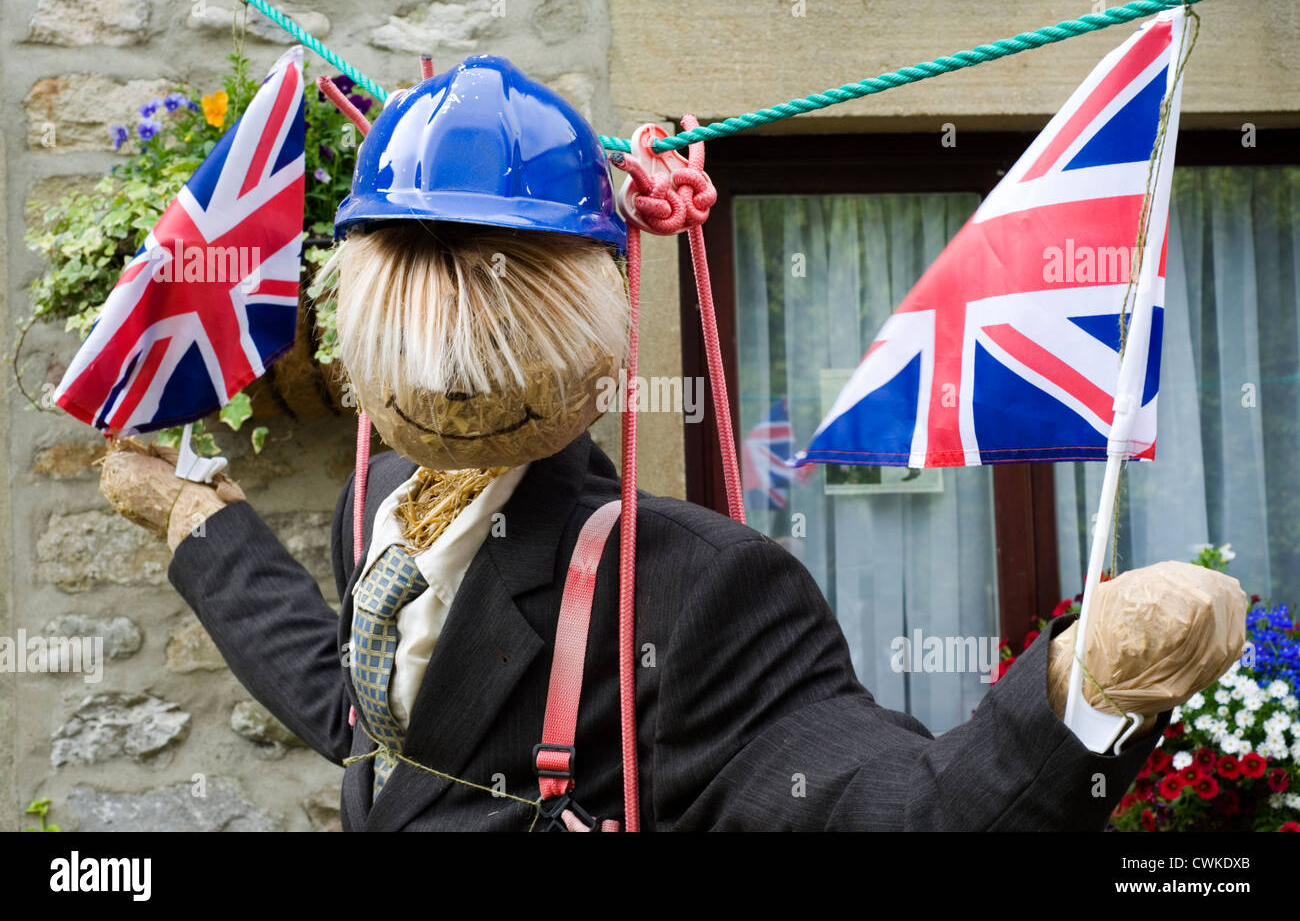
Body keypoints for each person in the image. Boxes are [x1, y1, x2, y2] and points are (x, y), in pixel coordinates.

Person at [98, 55, 1247, 832]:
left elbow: (876, 801)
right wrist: (200, 517)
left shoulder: (695, 582)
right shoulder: (382, 499)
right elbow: (359, 711)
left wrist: (1075, 690)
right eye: (418, 328)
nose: (448, 375)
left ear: (601, 340)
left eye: (493, 330)